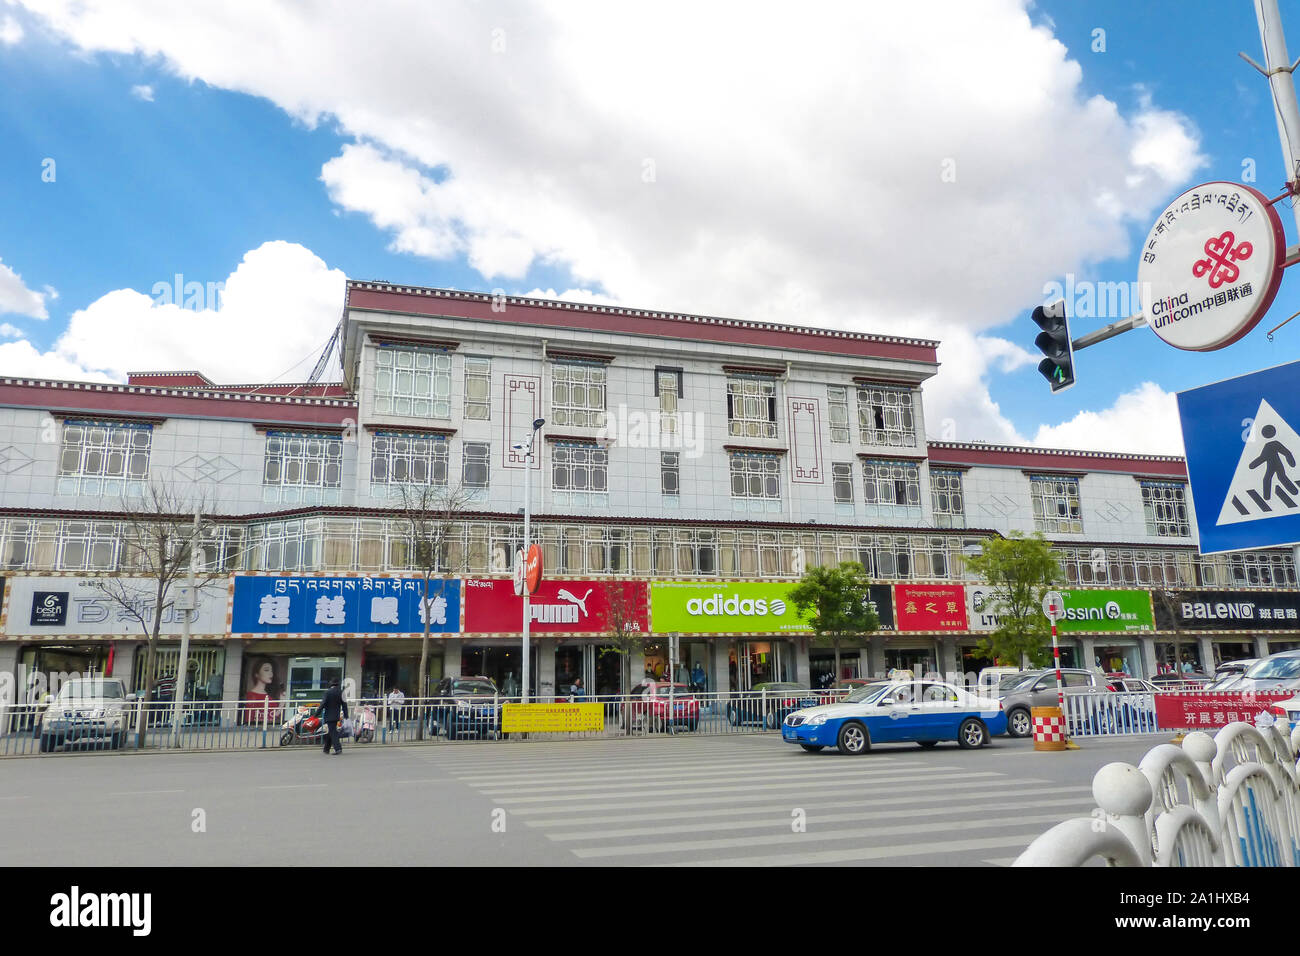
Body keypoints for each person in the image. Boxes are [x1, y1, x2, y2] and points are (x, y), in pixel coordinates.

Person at [319, 678, 349, 756]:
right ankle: (326, 749)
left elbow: (323, 704)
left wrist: (316, 714)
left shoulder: (327, 692)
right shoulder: (341, 692)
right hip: (336, 715)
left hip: (329, 715)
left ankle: (338, 748)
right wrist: (346, 715)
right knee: (331, 731)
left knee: (333, 732)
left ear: (331, 684)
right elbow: (344, 705)